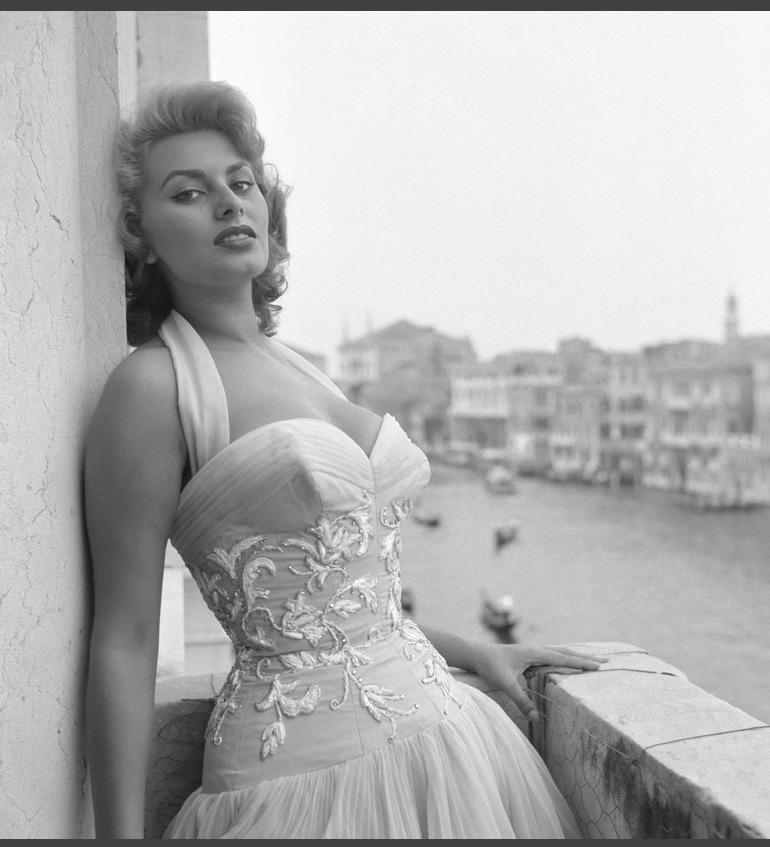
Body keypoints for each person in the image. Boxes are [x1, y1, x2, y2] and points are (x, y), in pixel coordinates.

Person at [83, 79, 607, 840]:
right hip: (300, 787)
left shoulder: (306, 370)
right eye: (189, 193)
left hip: (451, 743)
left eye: (242, 183)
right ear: (142, 234)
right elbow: (125, 640)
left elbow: (344, 604)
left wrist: (470, 648)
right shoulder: (152, 387)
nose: (228, 204)